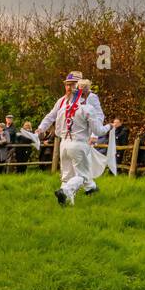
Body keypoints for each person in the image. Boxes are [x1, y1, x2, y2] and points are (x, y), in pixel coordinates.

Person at [37, 71, 100, 207]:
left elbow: (99, 116)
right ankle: (68, 197)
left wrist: (94, 136)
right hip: (65, 141)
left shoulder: (90, 98)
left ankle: (86, 189)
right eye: (67, 85)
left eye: (72, 85)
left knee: (82, 171)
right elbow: (50, 116)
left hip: (84, 139)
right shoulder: (62, 100)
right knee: (68, 172)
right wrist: (41, 128)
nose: (68, 88)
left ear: (79, 86)